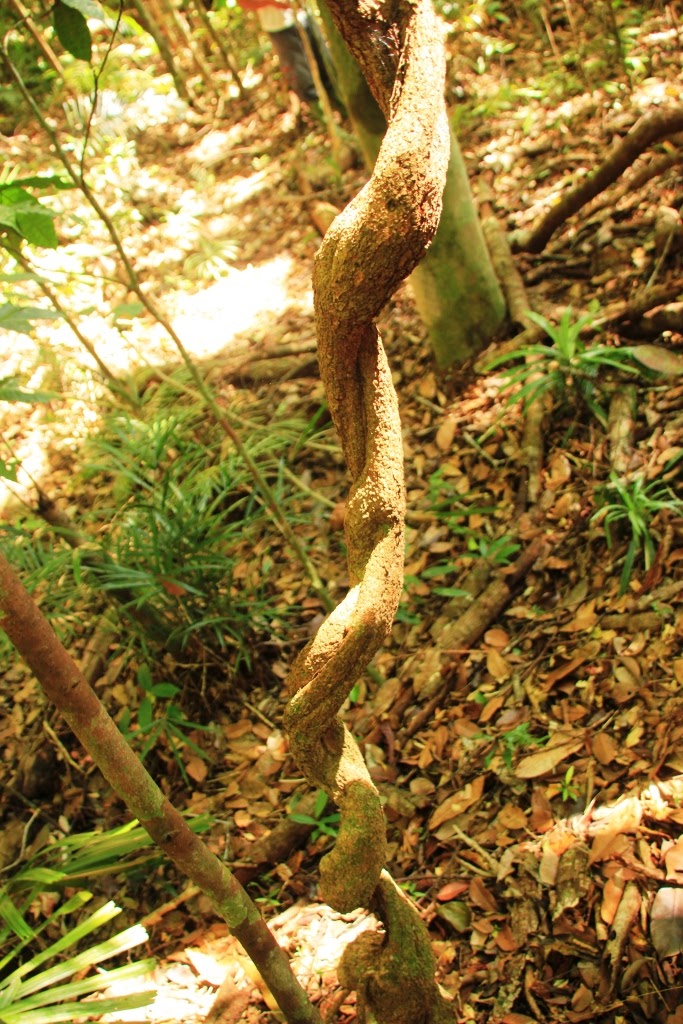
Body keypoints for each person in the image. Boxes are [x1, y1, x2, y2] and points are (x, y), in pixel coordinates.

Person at [236, 0, 336, 109]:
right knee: (302, 77)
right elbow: (244, 2)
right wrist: (272, 2)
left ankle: (344, 110)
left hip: (304, 17)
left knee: (326, 66)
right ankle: (323, 117)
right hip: (281, 28)